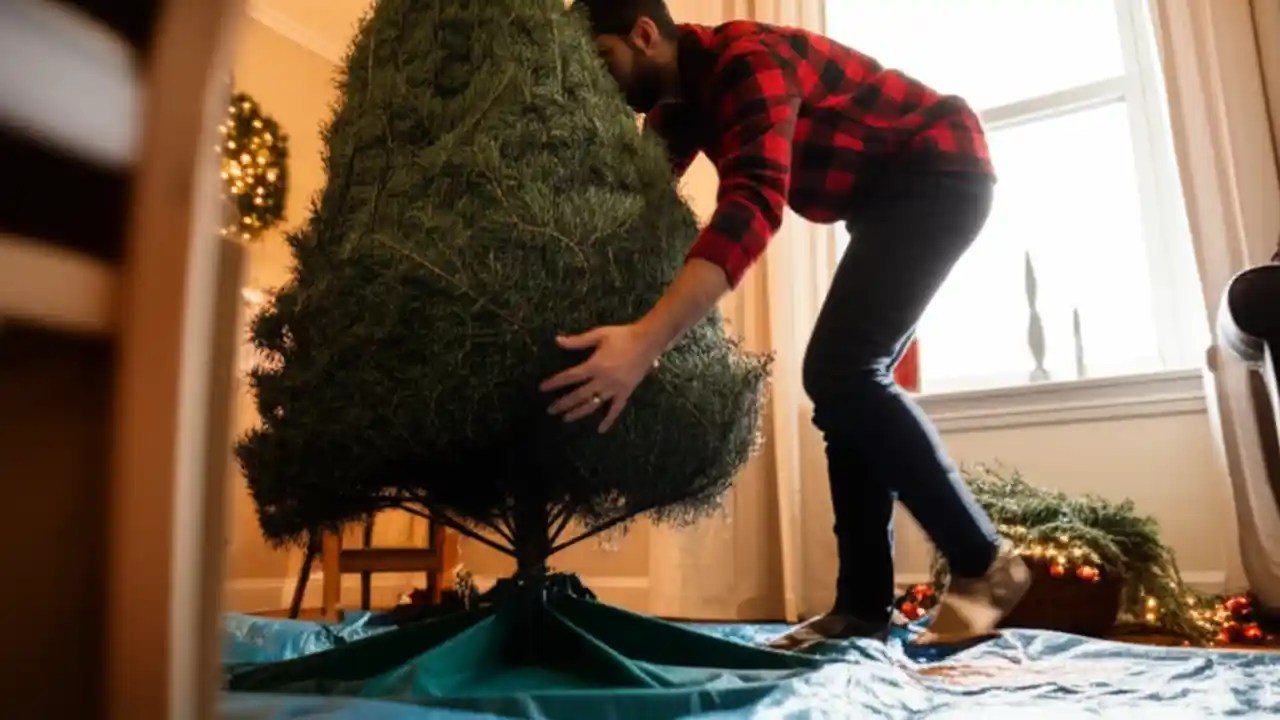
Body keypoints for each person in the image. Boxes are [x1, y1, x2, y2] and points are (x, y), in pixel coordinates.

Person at [542, 0, 1030, 649]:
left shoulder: (745, 60)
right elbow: (640, 206)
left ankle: (981, 563)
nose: (604, 85)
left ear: (643, 34)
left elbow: (754, 201)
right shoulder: (676, 107)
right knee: (844, 390)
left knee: (839, 371)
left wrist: (645, 343)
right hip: (888, 201)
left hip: (941, 170)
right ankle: (861, 607)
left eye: (604, 62)